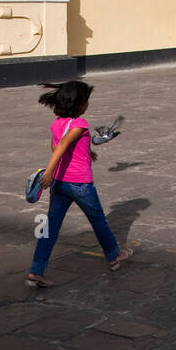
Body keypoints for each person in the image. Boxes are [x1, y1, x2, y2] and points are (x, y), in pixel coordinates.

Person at [26, 79, 132, 288]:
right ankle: (113, 256)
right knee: (98, 220)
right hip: (80, 185)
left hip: (60, 183)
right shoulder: (80, 124)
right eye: (87, 101)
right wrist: (47, 172)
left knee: (51, 227)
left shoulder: (56, 124)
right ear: (79, 104)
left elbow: (56, 145)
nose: (88, 105)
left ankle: (36, 271)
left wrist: (85, 152)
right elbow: (63, 145)